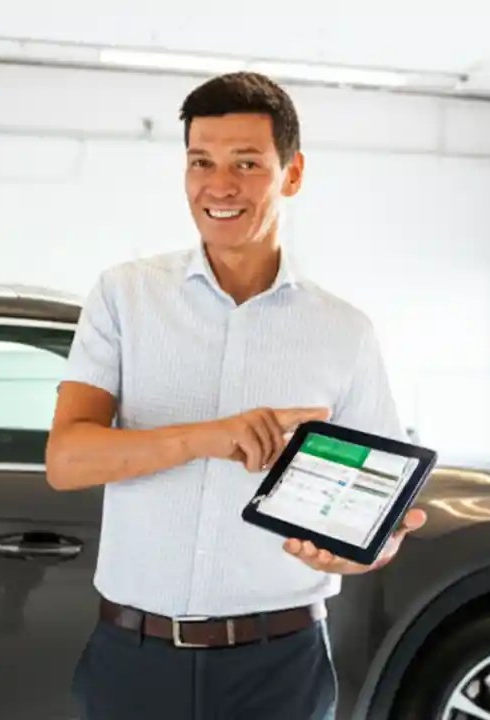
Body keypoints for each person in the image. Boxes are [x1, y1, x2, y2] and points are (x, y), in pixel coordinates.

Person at [46, 71, 426, 720]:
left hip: (281, 666)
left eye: (247, 163)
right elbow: (67, 460)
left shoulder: (345, 332)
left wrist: (366, 545)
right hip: (133, 658)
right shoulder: (124, 296)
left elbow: (375, 516)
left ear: (293, 173)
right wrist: (210, 437)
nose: (219, 186)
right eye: (201, 162)